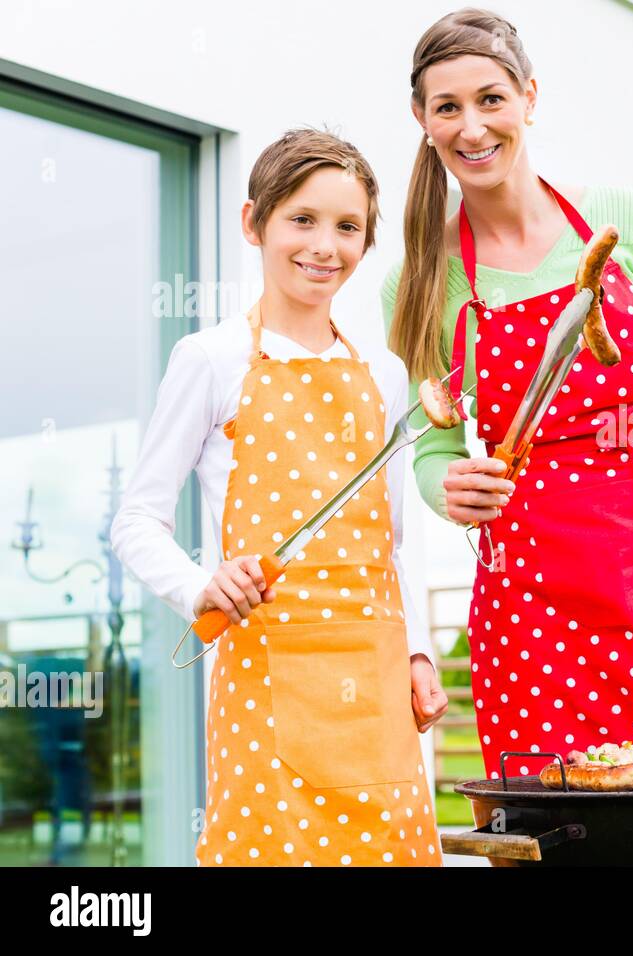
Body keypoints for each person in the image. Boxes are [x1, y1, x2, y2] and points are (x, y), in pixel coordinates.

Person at [382, 8, 633, 777]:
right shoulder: (417, 280)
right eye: (448, 107)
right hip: (532, 605)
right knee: (555, 828)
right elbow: (428, 445)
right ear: (422, 120)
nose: (472, 126)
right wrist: (447, 486)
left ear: (530, 95)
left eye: (491, 98)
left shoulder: (629, 223)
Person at [111, 129, 447, 866]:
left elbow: (387, 543)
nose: (325, 246)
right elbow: (136, 520)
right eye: (303, 219)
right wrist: (203, 585)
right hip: (266, 674)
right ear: (253, 222)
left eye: (348, 227)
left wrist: (419, 652)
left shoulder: (386, 377)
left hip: (375, 683)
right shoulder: (211, 359)